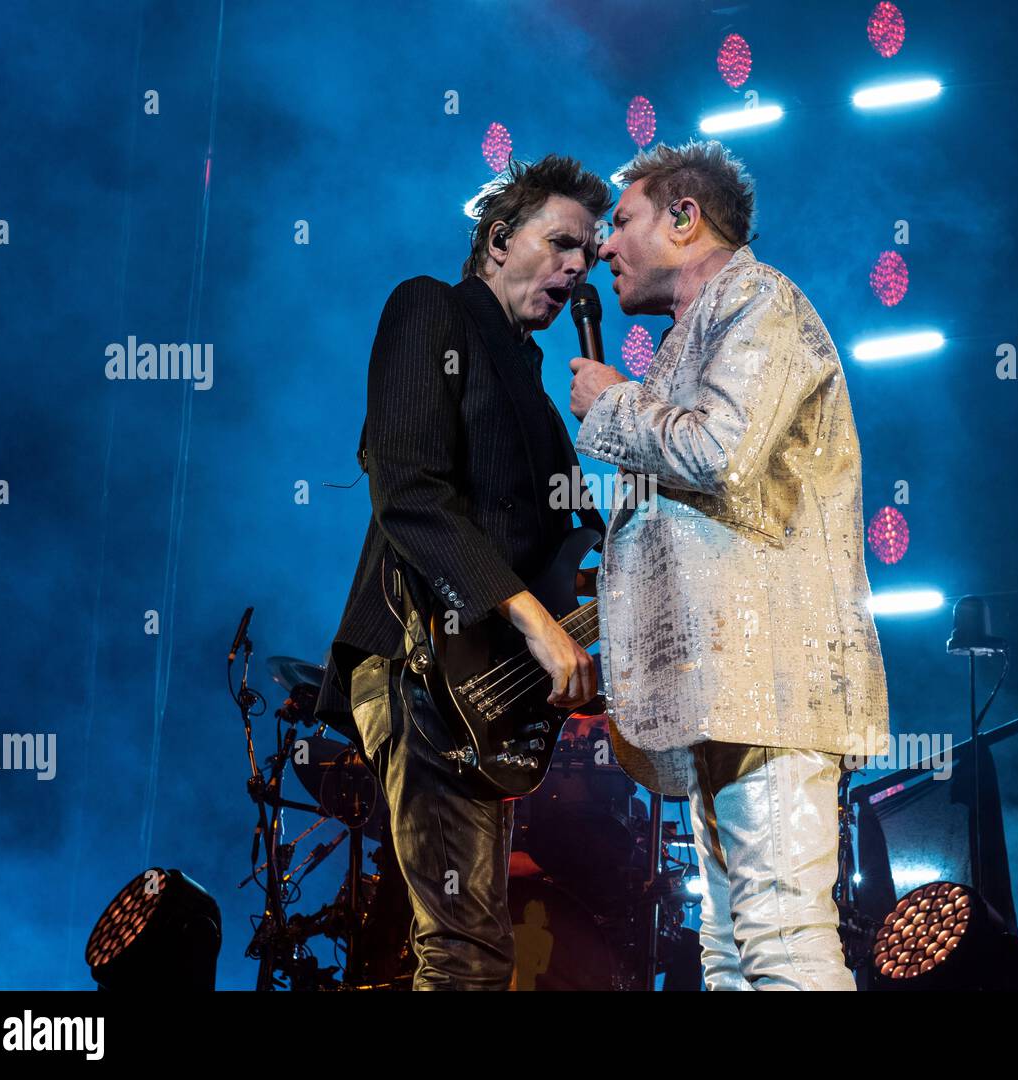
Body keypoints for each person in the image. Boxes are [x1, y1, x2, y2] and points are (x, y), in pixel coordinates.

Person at [568, 140, 890, 990]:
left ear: (684, 219)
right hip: (725, 693)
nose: (603, 247)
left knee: (782, 939)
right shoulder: (687, 339)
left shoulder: (760, 299)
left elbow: (721, 450)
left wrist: (611, 402)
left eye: (621, 221)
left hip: (775, 684)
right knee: (730, 955)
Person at [315, 154, 610, 989]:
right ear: (496, 239)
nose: (578, 268)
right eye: (561, 243)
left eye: (587, 254)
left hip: (480, 688)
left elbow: (559, 551)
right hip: (420, 664)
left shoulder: (541, 391)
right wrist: (536, 622)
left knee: (473, 945)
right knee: (466, 947)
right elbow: (407, 490)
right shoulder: (431, 308)